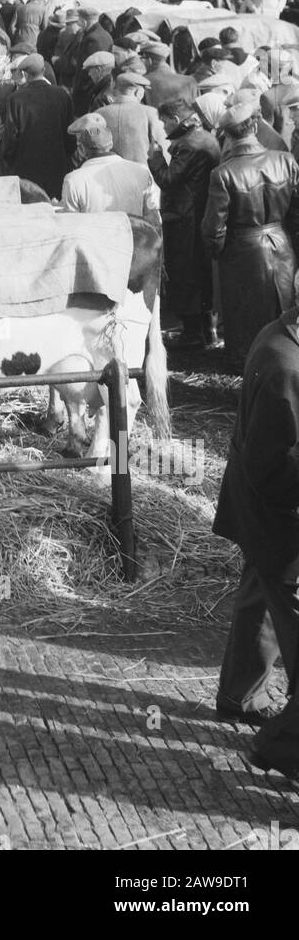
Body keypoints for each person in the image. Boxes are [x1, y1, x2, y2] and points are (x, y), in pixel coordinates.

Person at [211, 310, 299, 771]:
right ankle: (284, 746)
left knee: (257, 594)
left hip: (258, 510)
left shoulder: (278, 331)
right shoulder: (289, 365)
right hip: (282, 521)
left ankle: (240, 692)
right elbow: (275, 468)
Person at [201, 100, 299, 368]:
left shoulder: (223, 173)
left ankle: (251, 367)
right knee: (284, 308)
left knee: (245, 315)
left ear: (228, 134)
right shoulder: (286, 160)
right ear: (254, 125)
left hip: (241, 251)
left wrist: (217, 252)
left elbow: (213, 228)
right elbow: (297, 213)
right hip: (282, 244)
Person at [148, 99, 221, 350]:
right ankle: (207, 331)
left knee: (186, 274)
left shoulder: (188, 145)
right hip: (199, 213)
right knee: (201, 274)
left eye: (165, 121)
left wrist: (156, 157)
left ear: (176, 120)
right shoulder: (205, 137)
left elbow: (169, 179)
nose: (164, 127)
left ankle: (193, 335)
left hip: (184, 218)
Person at [60, 115, 161, 224]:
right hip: (134, 239)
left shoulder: (73, 180)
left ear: (82, 148)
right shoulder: (142, 171)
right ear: (111, 143)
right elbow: (154, 219)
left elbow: (70, 226)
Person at [1, 53, 73, 198]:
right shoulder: (62, 95)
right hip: (57, 167)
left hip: (27, 169)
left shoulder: (16, 99)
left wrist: (8, 162)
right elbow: (70, 136)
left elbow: (10, 139)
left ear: (25, 74)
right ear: (44, 71)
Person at [97, 72, 168, 163]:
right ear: (138, 92)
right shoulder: (151, 113)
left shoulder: (99, 114)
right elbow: (163, 147)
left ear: (116, 90)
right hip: (141, 173)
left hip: (106, 173)